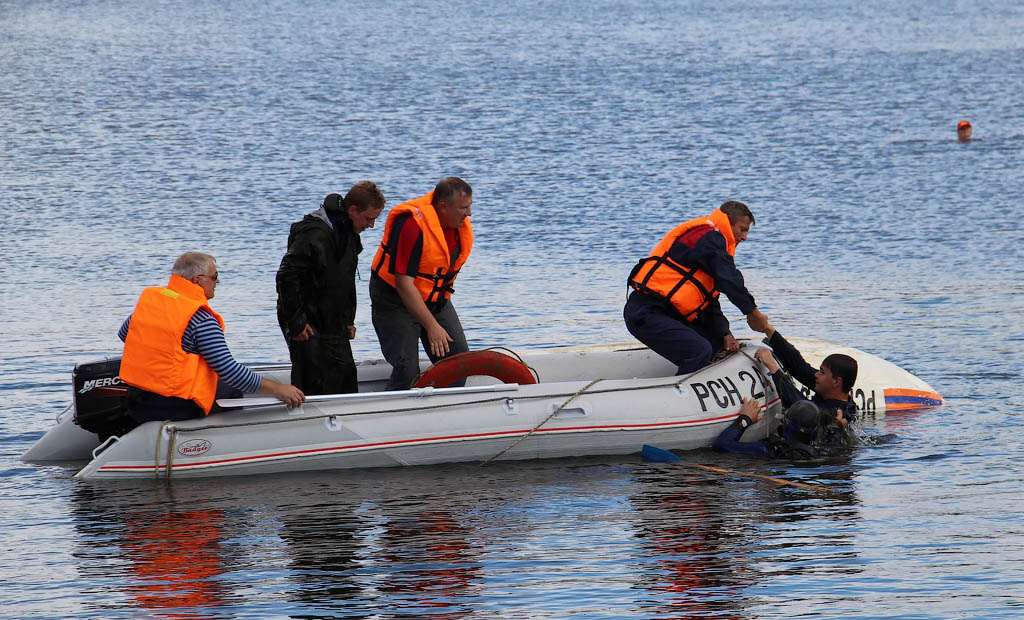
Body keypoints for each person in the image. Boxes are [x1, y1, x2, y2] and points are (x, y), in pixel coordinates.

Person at [118, 252, 305, 424]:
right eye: (214, 276)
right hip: (176, 406)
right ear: (197, 281)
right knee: (230, 388)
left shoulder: (153, 303)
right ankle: (221, 438)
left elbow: (124, 333)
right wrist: (277, 389)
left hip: (138, 399)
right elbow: (230, 371)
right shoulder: (201, 319)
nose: (218, 281)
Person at [624, 201, 770, 375]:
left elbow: (709, 301)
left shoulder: (714, 244)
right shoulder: (707, 237)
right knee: (699, 350)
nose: (744, 237)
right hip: (646, 312)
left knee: (716, 344)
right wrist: (752, 312)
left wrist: (725, 333)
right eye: (742, 229)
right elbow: (729, 280)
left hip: (667, 313)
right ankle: (679, 396)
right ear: (728, 223)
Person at [276, 182, 386, 395]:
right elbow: (286, 277)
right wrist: (296, 322)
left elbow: (345, 281)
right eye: (369, 219)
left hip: (333, 317)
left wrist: (348, 319)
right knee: (314, 379)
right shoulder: (314, 234)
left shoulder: (348, 231)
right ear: (353, 210)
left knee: (345, 376)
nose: (371, 225)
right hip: (305, 317)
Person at [369, 177, 474, 391]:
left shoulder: (457, 224)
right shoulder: (411, 225)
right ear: (443, 206)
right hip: (395, 300)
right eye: (464, 208)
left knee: (459, 362)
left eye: (470, 207)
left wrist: (435, 322)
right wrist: (432, 326)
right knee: (407, 370)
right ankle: (392, 415)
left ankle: (443, 412)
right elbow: (404, 284)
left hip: (435, 300)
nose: (469, 214)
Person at [753, 323, 858, 425]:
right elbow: (800, 368)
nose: (816, 374)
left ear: (836, 381)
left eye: (822, 372)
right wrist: (768, 330)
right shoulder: (830, 391)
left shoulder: (835, 415)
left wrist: (772, 366)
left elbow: (800, 406)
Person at [712, 397, 851, 459]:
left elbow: (722, 445)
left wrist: (744, 419)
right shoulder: (825, 449)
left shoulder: (769, 451)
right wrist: (835, 428)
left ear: (786, 426)